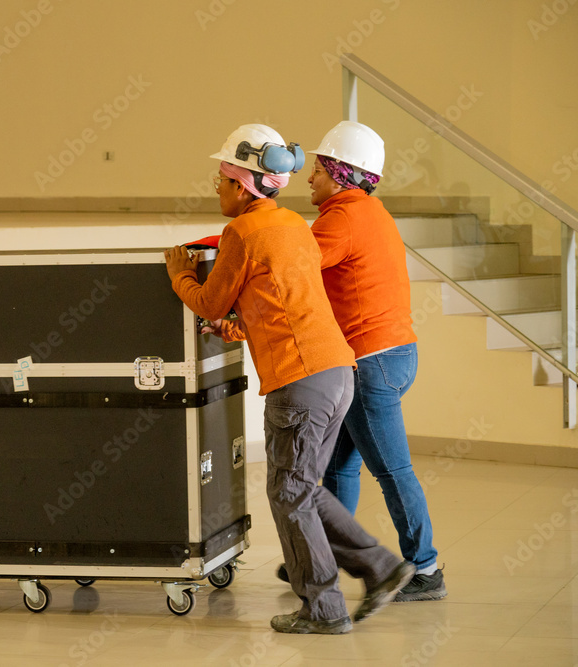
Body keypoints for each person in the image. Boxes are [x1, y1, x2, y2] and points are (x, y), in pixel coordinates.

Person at [164, 123, 413, 634]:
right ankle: (381, 569)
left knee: (290, 492)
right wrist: (242, 325)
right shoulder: (295, 224)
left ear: (243, 185)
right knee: (300, 488)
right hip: (338, 371)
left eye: (222, 178)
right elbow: (283, 300)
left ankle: (326, 607)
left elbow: (211, 300)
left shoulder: (243, 232)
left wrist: (179, 274)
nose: (217, 187)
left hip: (299, 381)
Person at [274, 120, 445, 602]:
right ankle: (318, 556)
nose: (309, 179)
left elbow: (292, 270)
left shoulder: (341, 218)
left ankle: (426, 569)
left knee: (393, 472)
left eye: (318, 170)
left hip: (371, 360)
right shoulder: (368, 210)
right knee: (340, 471)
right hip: (393, 355)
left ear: (340, 174)